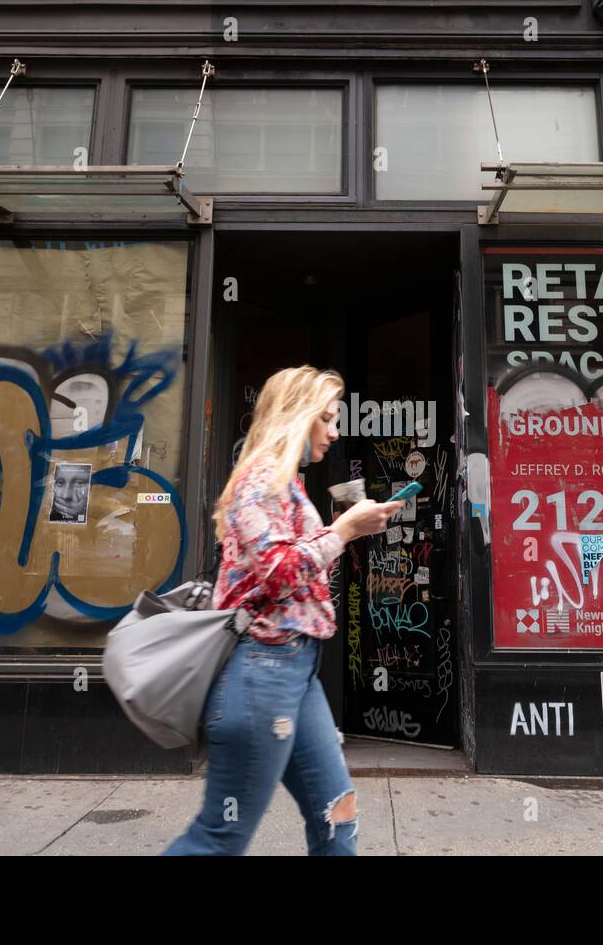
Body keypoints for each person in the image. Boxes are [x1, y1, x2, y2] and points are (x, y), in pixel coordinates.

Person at [162, 365, 402, 856]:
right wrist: (345, 531)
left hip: (296, 669)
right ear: (296, 417)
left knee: (338, 812)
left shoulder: (287, 483)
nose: (335, 432)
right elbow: (278, 572)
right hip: (260, 672)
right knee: (220, 834)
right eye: (327, 419)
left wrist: (346, 527)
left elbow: (292, 563)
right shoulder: (259, 482)